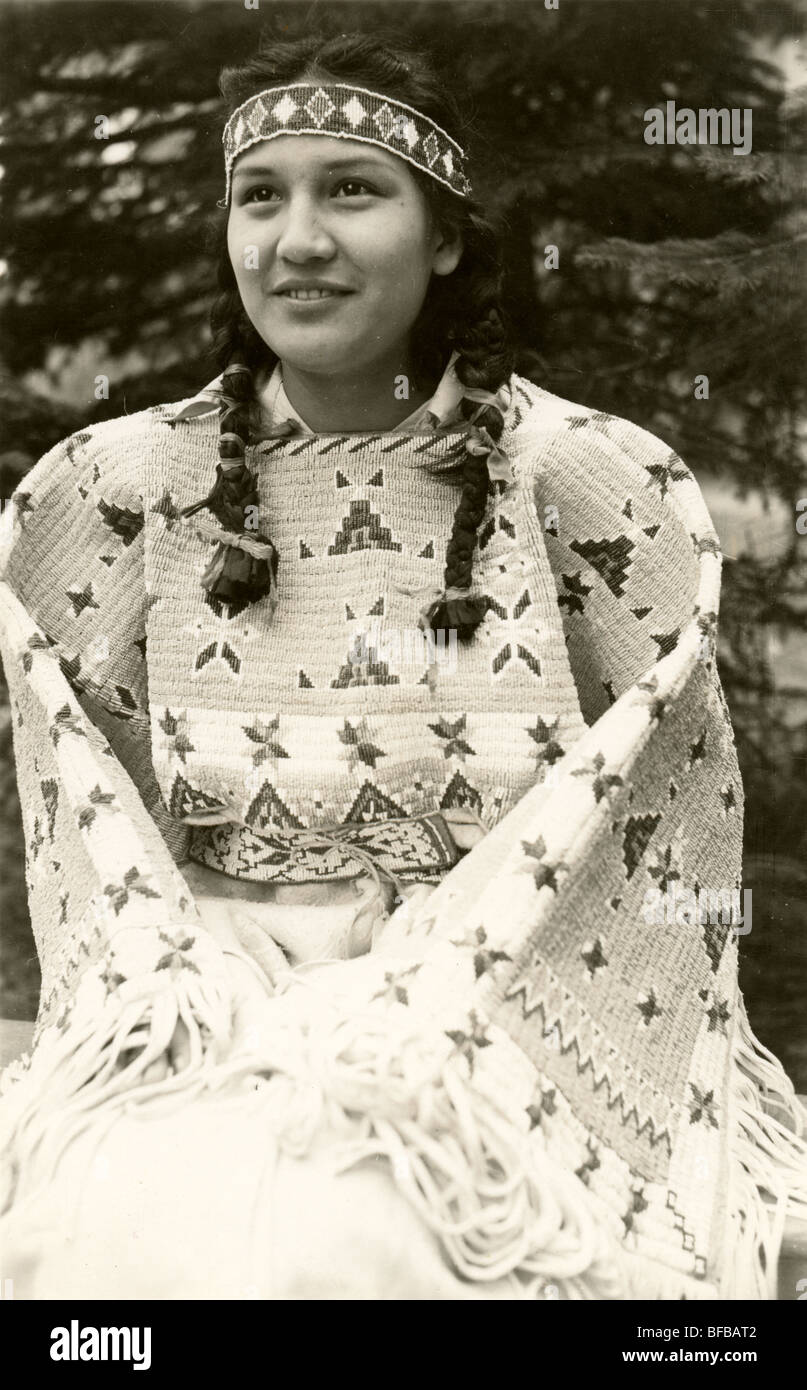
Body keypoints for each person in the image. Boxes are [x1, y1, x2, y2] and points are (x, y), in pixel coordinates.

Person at [0, 31, 804, 1301]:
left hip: (494, 997)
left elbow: (664, 827)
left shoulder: (593, 484)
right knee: (119, 1223)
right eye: (262, 196)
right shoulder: (118, 490)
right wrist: (198, 993)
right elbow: (88, 829)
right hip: (209, 1001)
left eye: (351, 190)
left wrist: (419, 995)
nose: (297, 239)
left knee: (363, 1231)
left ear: (443, 240)